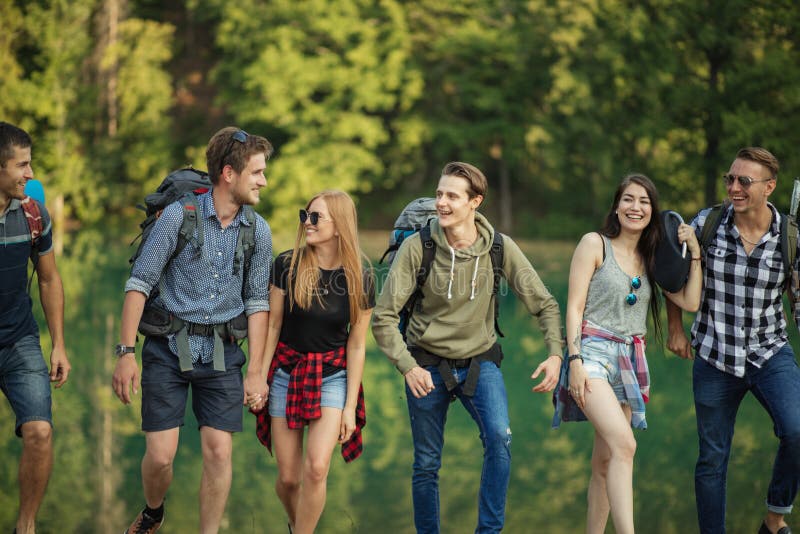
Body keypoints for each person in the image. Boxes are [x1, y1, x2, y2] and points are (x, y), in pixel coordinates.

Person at [372, 161, 564, 534]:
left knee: (499, 439)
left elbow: (545, 303)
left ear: (475, 201)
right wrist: (407, 366)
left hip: (480, 361)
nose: (441, 203)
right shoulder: (417, 247)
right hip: (424, 365)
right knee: (427, 463)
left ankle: (488, 531)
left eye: (451, 196)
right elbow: (384, 317)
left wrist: (556, 353)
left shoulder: (498, 248)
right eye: (440, 194)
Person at [112, 127, 273, 534]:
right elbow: (139, 284)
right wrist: (126, 353)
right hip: (166, 349)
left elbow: (257, 303)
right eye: (256, 172)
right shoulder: (176, 218)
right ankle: (153, 510)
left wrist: (256, 369)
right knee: (162, 456)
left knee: (219, 452)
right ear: (228, 173)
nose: (263, 181)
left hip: (222, 354)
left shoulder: (259, 231)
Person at [555, 174, 702, 534]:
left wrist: (695, 253)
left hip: (629, 361)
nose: (635, 207)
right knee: (625, 445)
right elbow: (573, 308)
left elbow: (691, 301)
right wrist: (574, 361)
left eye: (644, 202)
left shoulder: (654, 258)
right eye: (628, 200)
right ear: (616, 206)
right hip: (590, 353)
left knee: (604, 462)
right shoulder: (594, 244)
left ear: (653, 211)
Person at [666, 147, 800, 534]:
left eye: (744, 181)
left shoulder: (790, 237)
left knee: (796, 432)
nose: (734, 187)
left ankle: (774, 519)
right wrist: (676, 327)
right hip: (714, 356)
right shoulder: (707, 223)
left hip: (769, 351)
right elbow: (670, 272)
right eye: (730, 179)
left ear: (769, 187)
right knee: (712, 459)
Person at [251, 190, 373, 534]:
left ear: (339, 226)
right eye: (305, 214)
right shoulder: (287, 265)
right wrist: (259, 375)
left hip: (333, 376)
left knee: (317, 469)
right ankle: (296, 525)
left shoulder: (360, 277)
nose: (307, 222)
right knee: (289, 479)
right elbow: (272, 324)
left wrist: (350, 407)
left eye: (316, 217)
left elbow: (358, 344)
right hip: (287, 371)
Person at [0, 122, 70, 534]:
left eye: (30, 164)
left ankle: (25, 527)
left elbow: (48, 279)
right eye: (21, 165)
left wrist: (59, 344)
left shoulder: (32, 213)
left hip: (19, 339)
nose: (30, 174)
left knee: (40, 431)